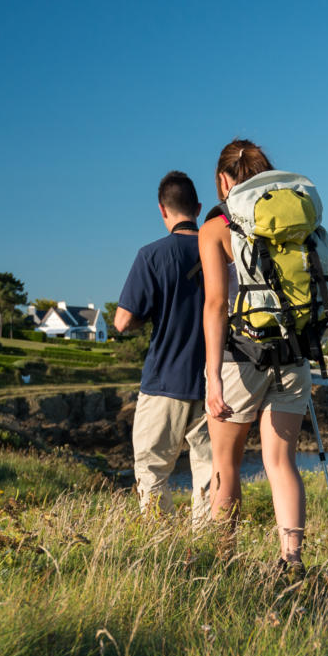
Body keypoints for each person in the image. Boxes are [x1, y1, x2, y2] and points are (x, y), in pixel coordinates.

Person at [199, 139, 311, 567]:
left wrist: (212, 376)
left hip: (239, 359)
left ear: (224, 180)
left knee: (225, 466)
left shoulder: (216, 229)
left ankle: (223, 562)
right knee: (282, 463)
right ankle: (292, 559)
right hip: (294, 354)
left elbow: (215, 305)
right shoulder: (298, 226)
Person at [115, 170, 212, 521]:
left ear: (162, 210)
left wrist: (152, 313)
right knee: (209, 471)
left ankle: (161, 547)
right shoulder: (219, 251)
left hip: (164, 381)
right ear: (198, 208)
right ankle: (210, 549)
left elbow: (123, 321)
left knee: (153, 470)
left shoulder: (151, 256)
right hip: (213, 381)